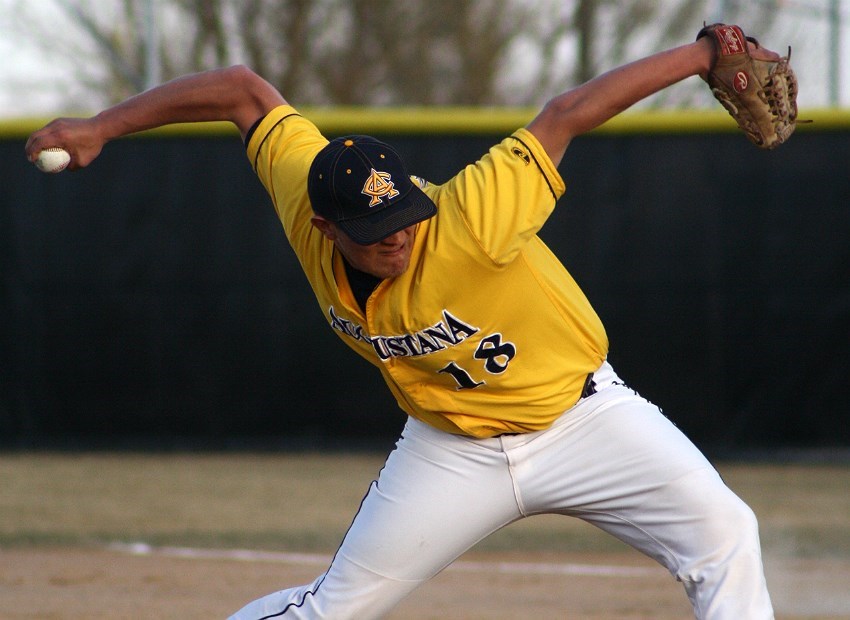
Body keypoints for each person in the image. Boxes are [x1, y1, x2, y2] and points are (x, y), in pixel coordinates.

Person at [26, 27, 777, 620]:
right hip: (451, 451)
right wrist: (104, 126)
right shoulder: (301, 193)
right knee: (333, 609)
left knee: (727, 537)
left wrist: (704, 53)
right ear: (323, 224)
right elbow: (239, 91)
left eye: (402, 218)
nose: (396, 235)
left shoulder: (470, 215)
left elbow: (566, 114)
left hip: (583, 421)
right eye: (374, 226)